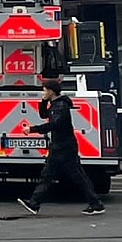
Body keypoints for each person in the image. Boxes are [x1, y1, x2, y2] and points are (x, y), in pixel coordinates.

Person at [18, 79, 105, 216]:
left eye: (45, 90)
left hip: (65, 148)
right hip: (59, 147)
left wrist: (32, 129)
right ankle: (34, 203)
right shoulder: (55, 105)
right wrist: (43, 101)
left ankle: (96, 204)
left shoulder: (60, 106)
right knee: (47, 176)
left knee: (77, 177)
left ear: (51, 91)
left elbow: (54, 125)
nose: (43, 92)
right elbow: (43, 115)